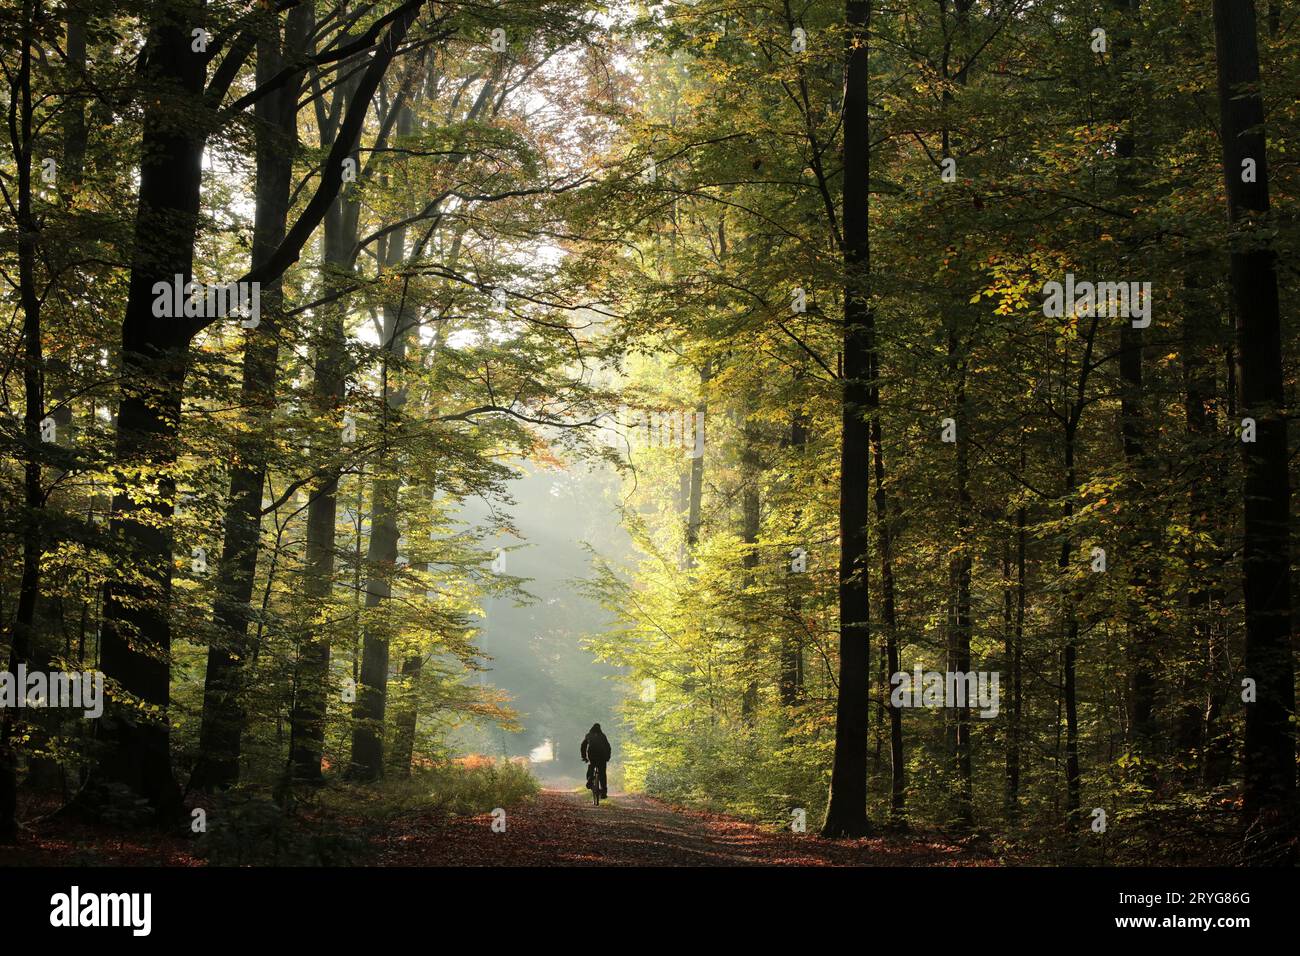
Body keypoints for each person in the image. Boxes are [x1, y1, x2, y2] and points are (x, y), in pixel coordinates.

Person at [580, 723, 611, 798]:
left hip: (592, 755)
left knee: (591, 766)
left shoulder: (589, 735)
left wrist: (584, 757)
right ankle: (604, 792)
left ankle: (590, 780)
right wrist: (607, 757)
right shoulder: (603, 736)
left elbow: (583, 746)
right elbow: (608, 747)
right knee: (602, 774)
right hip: (602, 756)